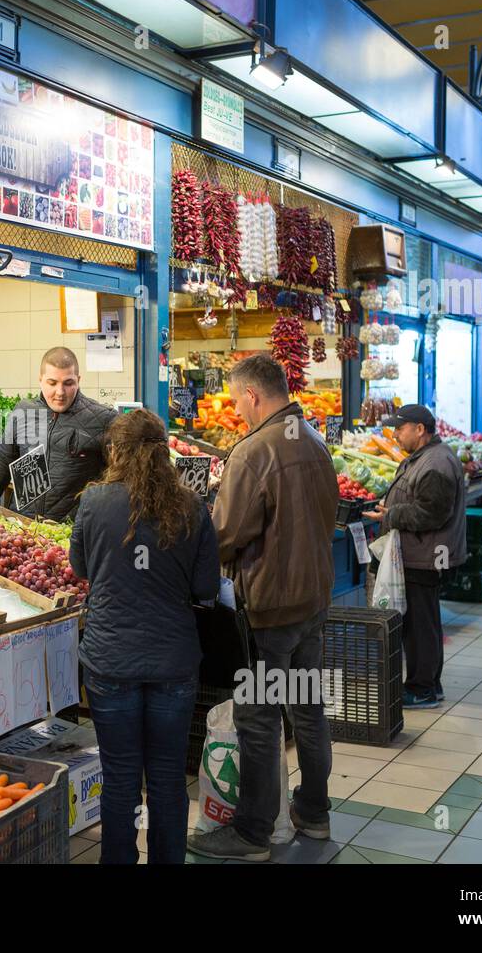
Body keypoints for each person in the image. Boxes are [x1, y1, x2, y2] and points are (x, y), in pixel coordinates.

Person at [187, 354, 337, 863]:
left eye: (236, 400)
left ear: (251, 394)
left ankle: (252, 834)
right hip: (313, 602)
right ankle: (314, 814)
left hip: (269, 610)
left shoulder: (255, 451)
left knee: (258, 718)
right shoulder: (314, 440)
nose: (237, 409)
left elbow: (227, 535)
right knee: (309, 711)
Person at [68, 409, 219, 865]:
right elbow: (206, 588)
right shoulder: (192, 506)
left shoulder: (94, 501)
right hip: (173, 663)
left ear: (115, 451)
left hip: (110, 662)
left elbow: (79, 568)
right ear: (164, 451)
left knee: (120, 777)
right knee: (169, 777)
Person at [363, 405, 467, 710]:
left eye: (400, 428)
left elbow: (432, 513)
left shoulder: (436, 463)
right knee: (425, 621)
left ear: (420, 429)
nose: (395, 435)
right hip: (421, 552)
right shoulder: (426, 458)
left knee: (420, 624)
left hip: (426, 554)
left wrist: (391, 513)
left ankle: (422, 688)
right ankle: (430, 684)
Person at [0, 347, 116, 521]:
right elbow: (3, 459)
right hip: (20, 523)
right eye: (52, 383)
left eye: (68, 383)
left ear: (78, 381)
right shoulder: (24, 411)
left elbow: (114, 477)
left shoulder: (103, 419)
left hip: (68, 530)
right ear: (40, 380)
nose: (60, 392)